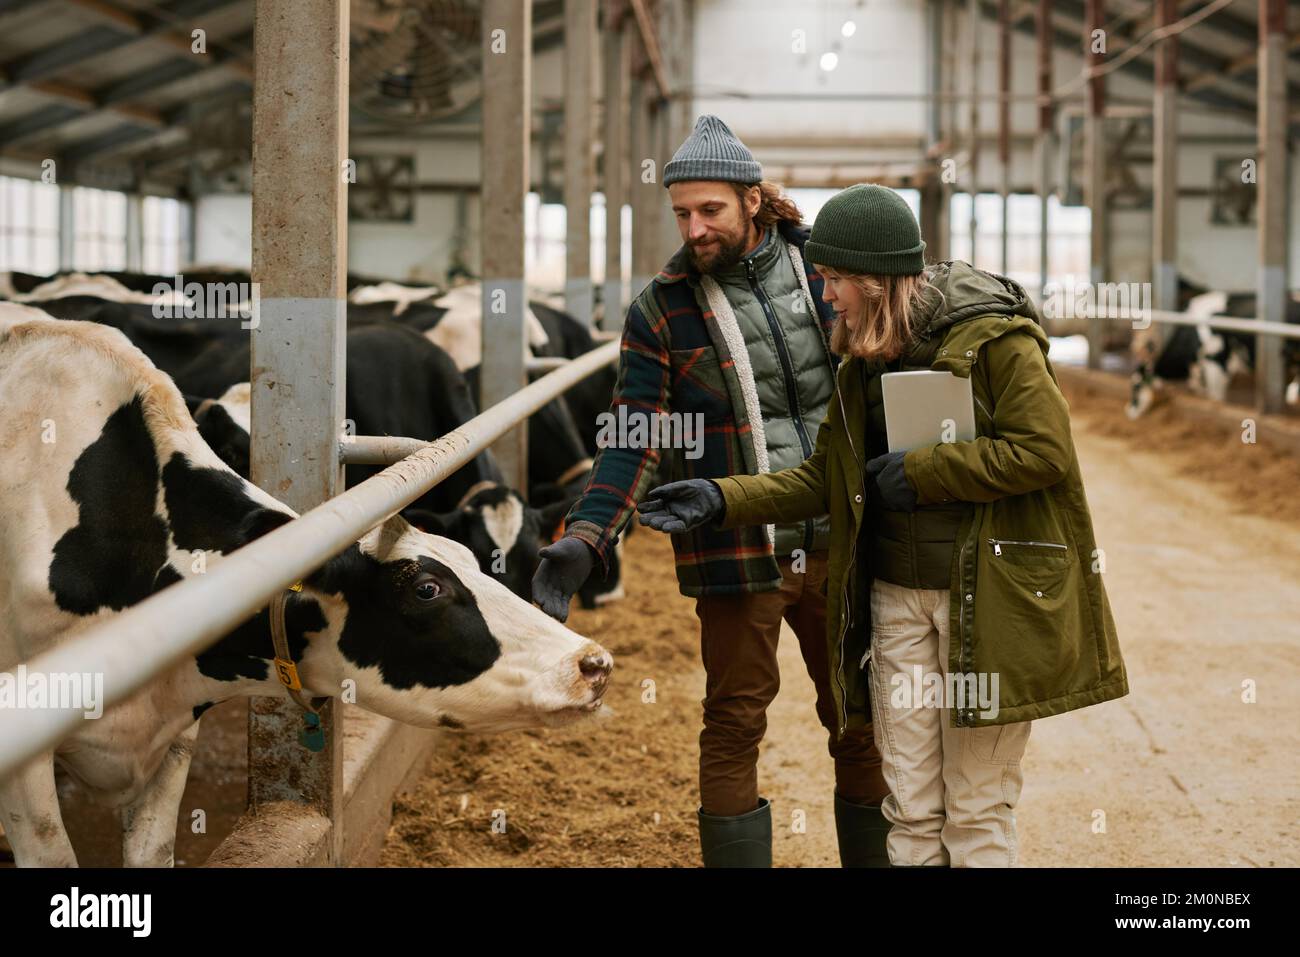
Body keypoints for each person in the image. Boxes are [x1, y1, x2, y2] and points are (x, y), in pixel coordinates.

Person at [637, 183, 1129, 867]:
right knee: (911, 805)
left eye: (834, 278)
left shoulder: (996, 337)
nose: (825, 292)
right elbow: (822, 477)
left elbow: (1044, 451)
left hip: (982, 600)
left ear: (873, 277)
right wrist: (722, 499)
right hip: (896, 601)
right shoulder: (865, 357)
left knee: (978, 806)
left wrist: (926, 470)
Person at [531, 116, 890, 867]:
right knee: (732, 721)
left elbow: (897, 358)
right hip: (735, 548)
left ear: (753, 200)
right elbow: (634, 438)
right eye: (682, 213)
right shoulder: (661, 311)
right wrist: (587, 536)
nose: (694, 228)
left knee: (861, 719)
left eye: (711, 210)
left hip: (846, 542)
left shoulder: (825, 272)